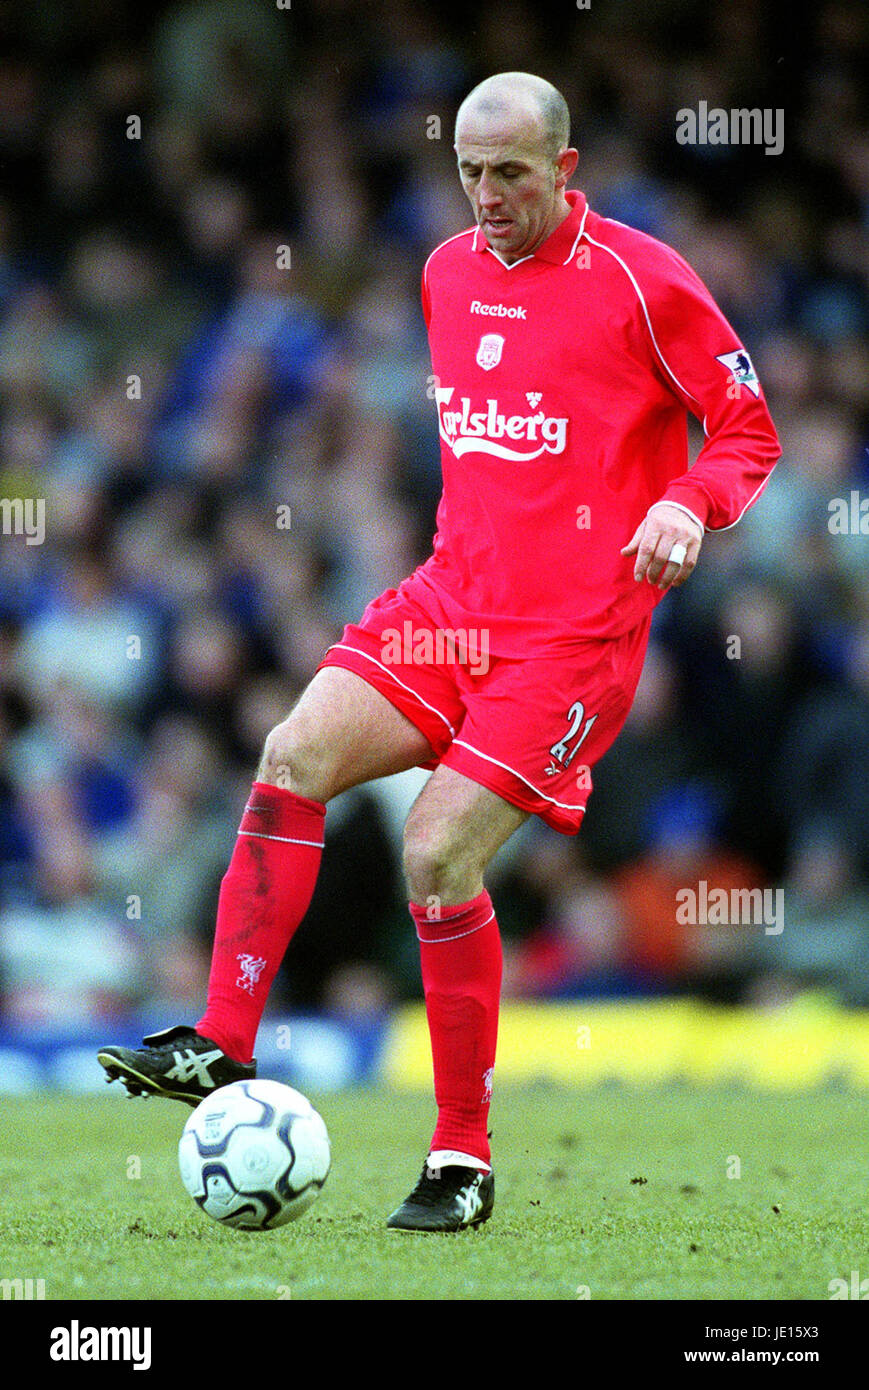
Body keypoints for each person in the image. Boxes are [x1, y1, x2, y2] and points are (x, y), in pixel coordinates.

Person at [99, 71, 780, 1232]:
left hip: (568, 640)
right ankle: (221, 1037)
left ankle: (461, 1155)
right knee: (291, 753)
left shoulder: (641, 278)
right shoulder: (444, 273)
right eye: (467, 172)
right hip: (449, 604)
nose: (485, 195)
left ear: (563, 168)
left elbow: (745, 426)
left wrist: (686, 502)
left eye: (509, 172)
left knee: (433, 852)